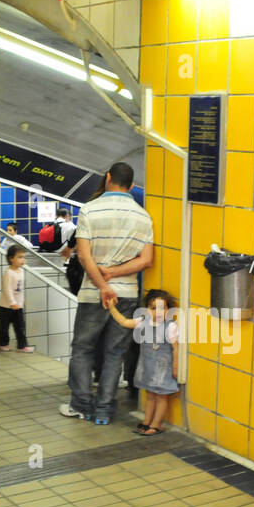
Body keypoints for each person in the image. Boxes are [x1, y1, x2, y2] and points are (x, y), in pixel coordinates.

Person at [59, 162, 154, 426]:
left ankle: (81, 405)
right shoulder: (143, 216)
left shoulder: (89, 210)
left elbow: (84, 254)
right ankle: (103, 411)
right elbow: (146, 260)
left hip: (93, 293)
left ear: (108, 178)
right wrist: (114, 274)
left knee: (83, 349)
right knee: (115, 353)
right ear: (132, 185)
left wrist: (103, 284)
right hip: (127, 294)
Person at [108, 289, 179, 436]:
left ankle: (156, 424)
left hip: (162, 369)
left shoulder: (170, 327)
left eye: (162, 308)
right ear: (146, 309)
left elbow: (176, 349)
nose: (158, 312)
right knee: (150, 394)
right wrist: (112, 308)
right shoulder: (143, 322)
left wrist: (176, 367)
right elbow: (124, 322)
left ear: (168, 310)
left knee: (161, 396)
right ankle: (147, 422)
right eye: (153, 308)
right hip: (147, 367)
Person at [0, 245, 34, 353]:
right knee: (4, 327)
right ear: (11, 258)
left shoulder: (21, 271)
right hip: (5, 306)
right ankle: (3, 344)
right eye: (20, 257)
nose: (23, 260)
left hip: (18, 306)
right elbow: (7, 289)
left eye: (24, 257)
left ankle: (22, 345)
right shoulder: (9, 273)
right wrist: (12, 302)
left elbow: (21, 289)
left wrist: (22, 301)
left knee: (20, 326)